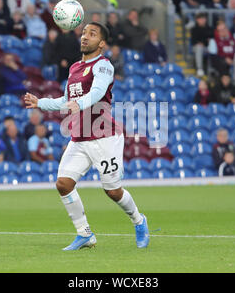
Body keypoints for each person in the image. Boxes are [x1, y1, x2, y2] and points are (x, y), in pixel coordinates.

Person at [24, 22, 149, 250]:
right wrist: (40, 102)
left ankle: (139, 221)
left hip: (104, 137)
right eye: (83, 33)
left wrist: (78, 104)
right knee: (63, 184)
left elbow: (98, 92)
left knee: (112, 191)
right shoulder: (74, 69)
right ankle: (85, 234)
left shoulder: (103, 66)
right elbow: (65, 100)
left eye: (92, 34)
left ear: (101, 43)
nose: (85, 37)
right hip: (80, 137)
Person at [191, 13, 213, 77]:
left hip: (208, 47)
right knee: (199, 47)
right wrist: (204, 42)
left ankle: (213, 69)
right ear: (197, 20)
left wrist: (204, 42)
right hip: (197, 48)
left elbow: (211, 39)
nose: (202, 20)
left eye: (203, 18)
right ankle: (199, 68)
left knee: (213, 48)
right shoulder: (194, 29)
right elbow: (194, 41)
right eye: (200, 19)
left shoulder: (209, 28)